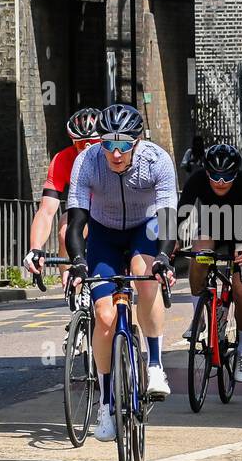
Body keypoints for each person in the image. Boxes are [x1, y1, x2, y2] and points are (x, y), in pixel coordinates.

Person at [65, 104, 178, 442]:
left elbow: (169, 215)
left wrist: (164, 257)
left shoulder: (157, 160)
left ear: (138, 141)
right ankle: (106, 402)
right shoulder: (86, 161)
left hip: (146, 227)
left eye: (124, 145)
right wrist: (78, 260)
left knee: (145, 276)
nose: (115, 153)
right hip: (104, 232)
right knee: (103, 315)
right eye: (108, 144)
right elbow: (76, 221)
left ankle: (155, 366)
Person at [178, 143, 242, 383]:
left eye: (227, 177)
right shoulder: (197, 180)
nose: (221, 182)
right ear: (206, 172)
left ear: (236, 174)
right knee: (199, 254)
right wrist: (172, 239)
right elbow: (182, 210)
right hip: (214, 226)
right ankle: (199, 317)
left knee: (241, 288)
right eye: (215, 176)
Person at [23, 108, 100, 280]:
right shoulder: (62, 160)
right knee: (65, 230)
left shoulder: (114, 157)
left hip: (111, 210)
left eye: (93, 142)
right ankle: (71, 282)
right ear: (73, 142)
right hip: (81, 208)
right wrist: (35, 248)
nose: (87, 149)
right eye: (81, 144)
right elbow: (46, 211)